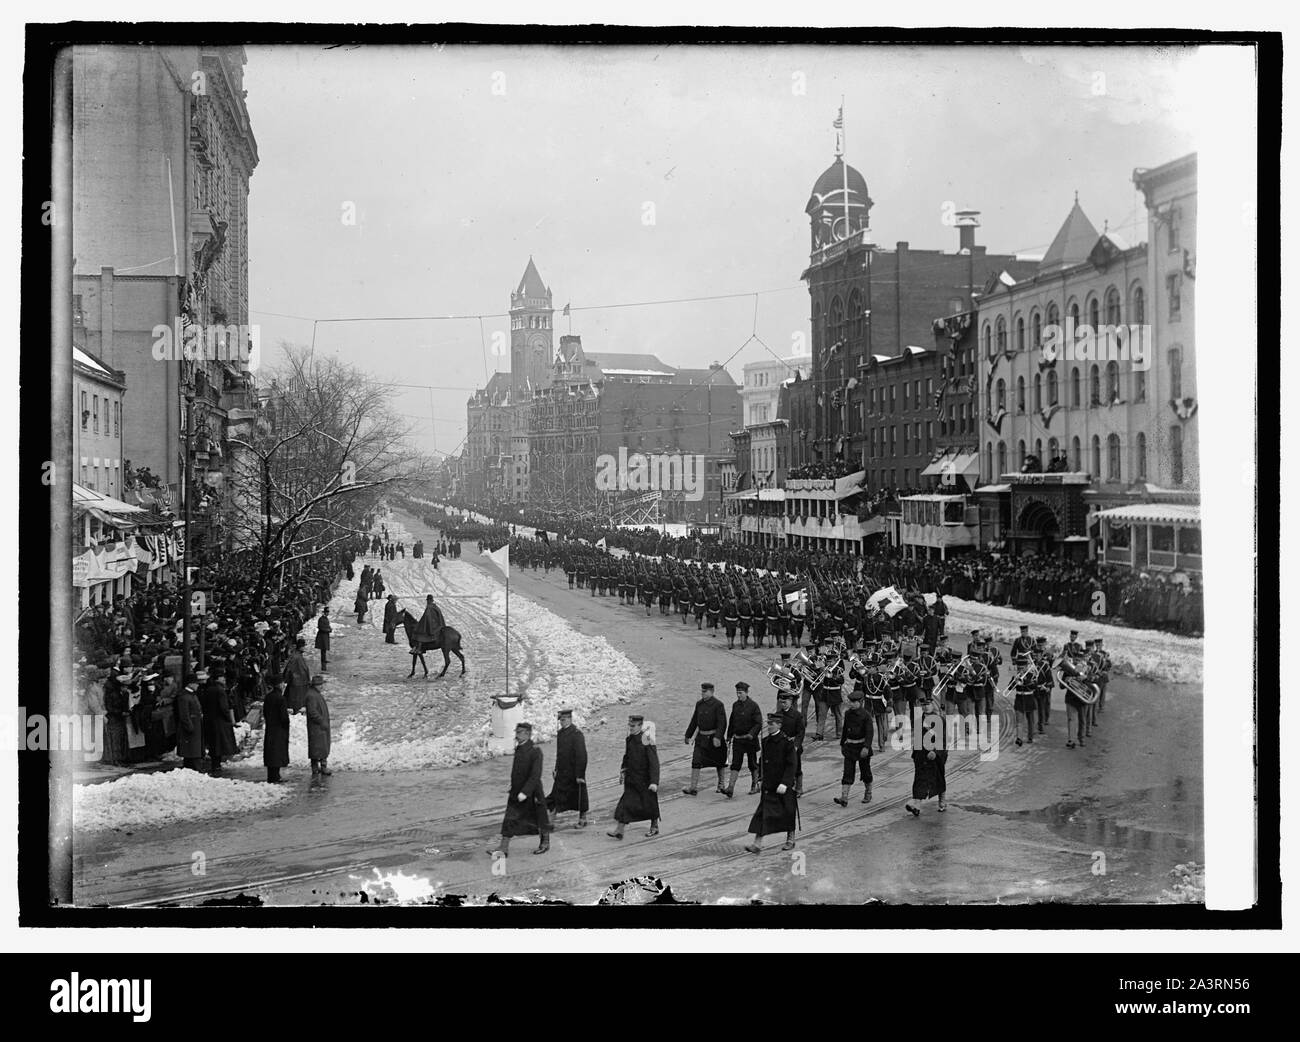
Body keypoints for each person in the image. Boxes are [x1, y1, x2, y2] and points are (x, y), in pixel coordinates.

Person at [490, 722, 552, 857]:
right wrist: (513, 786)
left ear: (528, 734)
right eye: (516, 732)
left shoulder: (535, 751)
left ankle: (545, 843)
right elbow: (517, 771)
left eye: (519, 732)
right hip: (516, 792)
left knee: (539, 818)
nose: (516, 735)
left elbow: (535, 775)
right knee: (509, 819)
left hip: (532, 792)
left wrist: (525, 792)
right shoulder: (519, 748)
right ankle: (503, 848)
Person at [744, 711, 798, 853]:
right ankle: (757, 843)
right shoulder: (766, 741)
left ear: (779, 725)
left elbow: (792, 764)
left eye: (772, 724)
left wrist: (785, 783)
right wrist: (760, 778)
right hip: (769, 785)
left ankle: (790, 839)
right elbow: (762, 761)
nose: (769, 726)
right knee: (763, 814)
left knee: (787, 811)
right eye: (768, 724)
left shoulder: (787, 743)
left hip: (782, 785)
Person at [609, 716, 660, 839]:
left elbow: (654, 762)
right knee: (625, 804)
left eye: (633, 726)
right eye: (630, 725)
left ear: (640, 726)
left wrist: (654, 782)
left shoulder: (646, 739)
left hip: (644, 780)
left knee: (649, 804)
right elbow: (627, 756)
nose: (630, 728)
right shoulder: (630, 739)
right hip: (631, 779)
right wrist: (623, 769)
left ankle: (654, 826)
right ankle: (619, 830)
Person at [905, 691, 949, 817]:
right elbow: (918, 739)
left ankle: (942, 801)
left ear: (933, 706)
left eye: (928, 705)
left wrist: (936, 752)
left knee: (938, 778)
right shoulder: (919, 721)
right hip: (922, 755)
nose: (925, 707)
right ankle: (916, 805)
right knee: (920, 779)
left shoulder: (939, 720)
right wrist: (915, 754)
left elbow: (942, 738)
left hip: (936, 755)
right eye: (923, 705)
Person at [683, 681, 729, 795]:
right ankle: (693, 788)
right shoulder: (699, 704)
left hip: (714, 738)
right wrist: (688, 735)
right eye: (702, 691)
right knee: (696, 761)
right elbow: (694, 720)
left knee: (719, 761)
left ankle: (721, 784)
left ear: (712, 692)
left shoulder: (718, 705)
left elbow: (722, 723)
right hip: (701, 738)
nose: (703, 693)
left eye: (705, 691)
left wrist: (718, 737)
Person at [547, 708, 589, 829]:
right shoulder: (560, 733)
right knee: (556, 795)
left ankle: (583, 819)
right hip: (562, 771)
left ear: (570, 719)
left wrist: (580, 775)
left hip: (574, 772)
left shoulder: (577, 734)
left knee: (579, 796)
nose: (561, 722)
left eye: (564, 720)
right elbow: (559, 754)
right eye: (561, 720)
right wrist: (556, 768)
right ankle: (550, 821)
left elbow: (582, 755)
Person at [834, 688, 875, 806]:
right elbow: (845, 729)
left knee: (865, 772)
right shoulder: (848, 714)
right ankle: (844, 797)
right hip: (850, 747)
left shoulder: (866, 716)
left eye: (853, 702)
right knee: (848, 772)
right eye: (850, 702)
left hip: (862, 747)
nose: (851, 704)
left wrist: (866, 747)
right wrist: (842, 744)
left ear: (860, 702)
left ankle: (868, 792)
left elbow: (869, 733)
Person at [723, 680, 762, 798]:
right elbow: (732, 721)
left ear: (746, 693)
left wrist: (752, 734)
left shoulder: (754, 706)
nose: (738, 695)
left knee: (752, 763)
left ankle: (755, 785)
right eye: (737, 693)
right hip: (738, 739)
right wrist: (729, 736)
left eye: (740, 693)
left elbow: (758, 723)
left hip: (750, 740)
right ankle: (730, 788)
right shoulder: (735, 705)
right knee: (735, 764)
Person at [198, 668, 237, 777]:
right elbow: (224, 707)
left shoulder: (208, 689)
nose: (224, 679)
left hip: (209, 720)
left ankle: (215, 763)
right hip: (220, 721)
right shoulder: (220, 690)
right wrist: (229, 718)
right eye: (222, 677)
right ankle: (216, 765)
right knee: (219, 744)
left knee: (213, 743)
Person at [262, 680, 290, 782]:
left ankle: (272, 775)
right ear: (279, 685)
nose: (284, 685)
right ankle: (275, 776)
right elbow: (284, 717)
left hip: (270, 728)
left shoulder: (268, 697)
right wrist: (286, 725)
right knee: (277, 752)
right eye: (282, 683)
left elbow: (265, 712)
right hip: (279, 729)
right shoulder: (281, 699)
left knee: (271, 752)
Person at [306, 674, 332, 778]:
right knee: (318, 748)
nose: (322, 686)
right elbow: (312, 712)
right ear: (315, 685)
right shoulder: (312, 695)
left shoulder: (314, 694)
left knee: (320, 747)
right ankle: (319, 767)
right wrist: (322, 721)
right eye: (320, 685)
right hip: (317, 727)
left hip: (319, 727)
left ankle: (318, 767)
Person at [175, 678, 204, 770]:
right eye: (196, 683)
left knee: (193, 749)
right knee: (192, 750)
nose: (198, 685)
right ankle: (195, 767)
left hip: (195, 725)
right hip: (191, 726)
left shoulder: (190, 695)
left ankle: (191, 767)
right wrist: (189, 726)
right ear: (190, 684)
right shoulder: (184, 696)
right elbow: (184, 714)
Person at [285, 638, 311, 713]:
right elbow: (289, 669)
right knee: (297, 698)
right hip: (298, 681)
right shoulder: (296, 656)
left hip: (300, 681)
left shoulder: (297, 655)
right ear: (301, 647)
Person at [315, 607, 331, 671]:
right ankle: (323, 664)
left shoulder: (325, 618)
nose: (328, 613)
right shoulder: (321, 619)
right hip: (322, 636)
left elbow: (328, 625)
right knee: (323, 649)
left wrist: (330, 629)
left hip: (325, 636)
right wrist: (327, 630)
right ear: (324, 612)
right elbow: (320, 627)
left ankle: (324, 660)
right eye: (327, 612)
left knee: (324, 649)